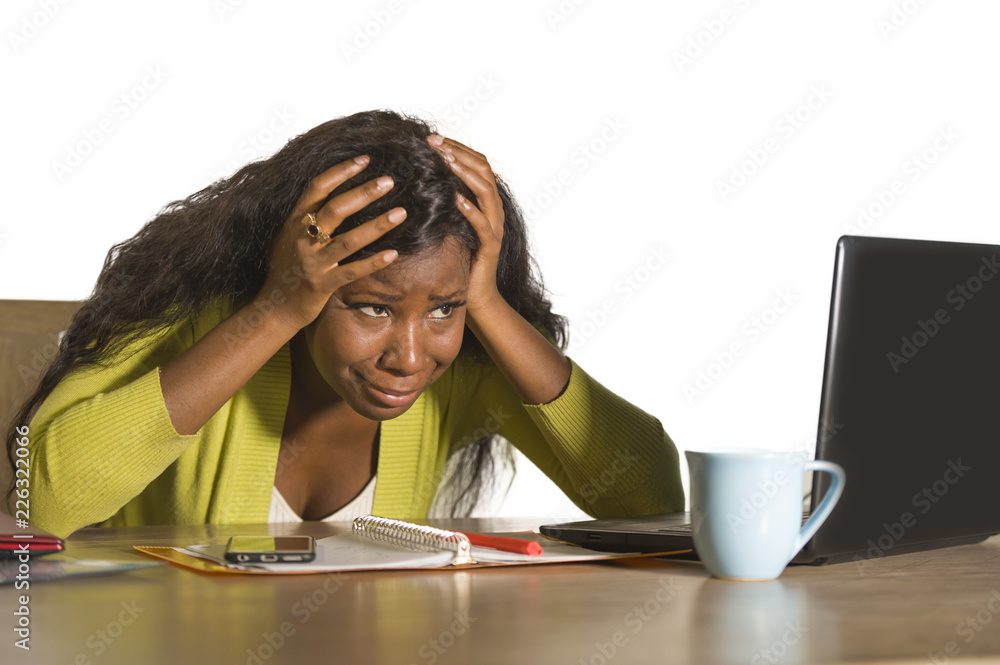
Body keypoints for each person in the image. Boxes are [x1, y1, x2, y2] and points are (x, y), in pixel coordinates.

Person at [7, 110, 683, 538]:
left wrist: (488, 302)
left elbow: (650, 495)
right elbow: (38, 500)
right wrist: (275, 310)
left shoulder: (461, 372)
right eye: (373, 306)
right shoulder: (196, 323)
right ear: (307, 277)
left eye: (442, 308)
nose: (410, 356)